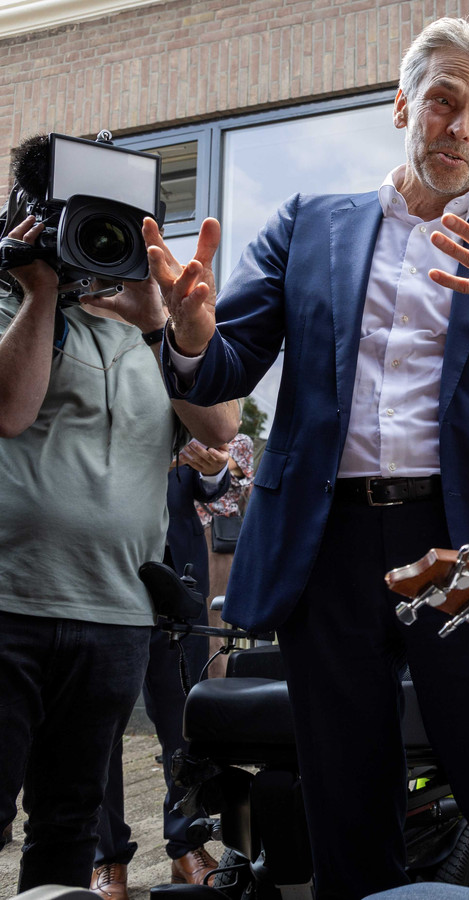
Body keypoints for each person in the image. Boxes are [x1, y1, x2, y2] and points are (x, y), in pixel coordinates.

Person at [143, 17, 469, 900]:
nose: (461, 127)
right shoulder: (309, 226)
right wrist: (191, 331)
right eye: (443, 102)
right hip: (331, 547)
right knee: (345, 801)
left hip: (467, 550)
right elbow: (224, 364)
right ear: (403, 106)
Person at [0, 143, 240, 891]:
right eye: (84, 219)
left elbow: (220, 426)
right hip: (10, 605)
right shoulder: (10, 303)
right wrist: (41, 291)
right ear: (32, 217)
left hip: (115, 615)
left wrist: (163, 324)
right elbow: (10, 410)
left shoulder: (156, 333)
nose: (103, 240)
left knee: (70, 821)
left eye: (120, 226)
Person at [91, 441, 233, 900]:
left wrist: (212, 471)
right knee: (99, 725)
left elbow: (209, 487)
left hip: (176, 578)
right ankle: (106, 858)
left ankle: (187, 844)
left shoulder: (180, 403)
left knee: (184, 720)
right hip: (102, 569)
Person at [198, 432, 253, 678]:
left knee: (212, 625)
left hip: (218, 537)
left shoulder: (240, 442)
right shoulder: (195, 440)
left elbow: (208, 463)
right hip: (186, 534)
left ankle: (216, 688)